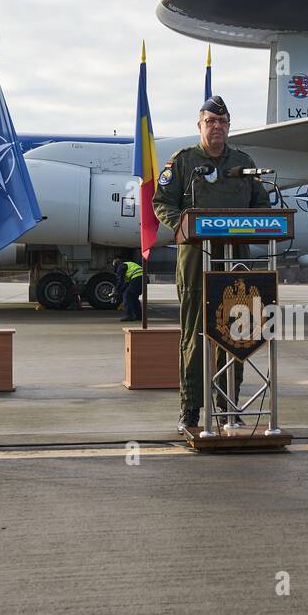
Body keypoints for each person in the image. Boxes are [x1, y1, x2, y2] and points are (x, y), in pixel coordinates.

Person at [152, 95, 272, 432]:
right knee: (195, 333)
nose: (216, 127)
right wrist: (182, 226)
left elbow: (261, 206)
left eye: (221, 122)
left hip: (234, 262)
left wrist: (260, 222)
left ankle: (230, 405)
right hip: (195, 260)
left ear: (229, 126)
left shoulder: (243, 162)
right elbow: (162, 202)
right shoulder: (184, 162)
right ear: (200, 125)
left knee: (236, 332)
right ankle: (190, 408)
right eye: (210, 121)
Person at [111, 255, 144, 322]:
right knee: (133, 297)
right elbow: (126, 283)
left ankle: (129, 316)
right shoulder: (129, 264)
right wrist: (121, 290)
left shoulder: (122, 266)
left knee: (127, 295)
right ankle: (138, 316)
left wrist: (116, 290)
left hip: (137, 278)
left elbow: (120, 280)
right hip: (143, 278)